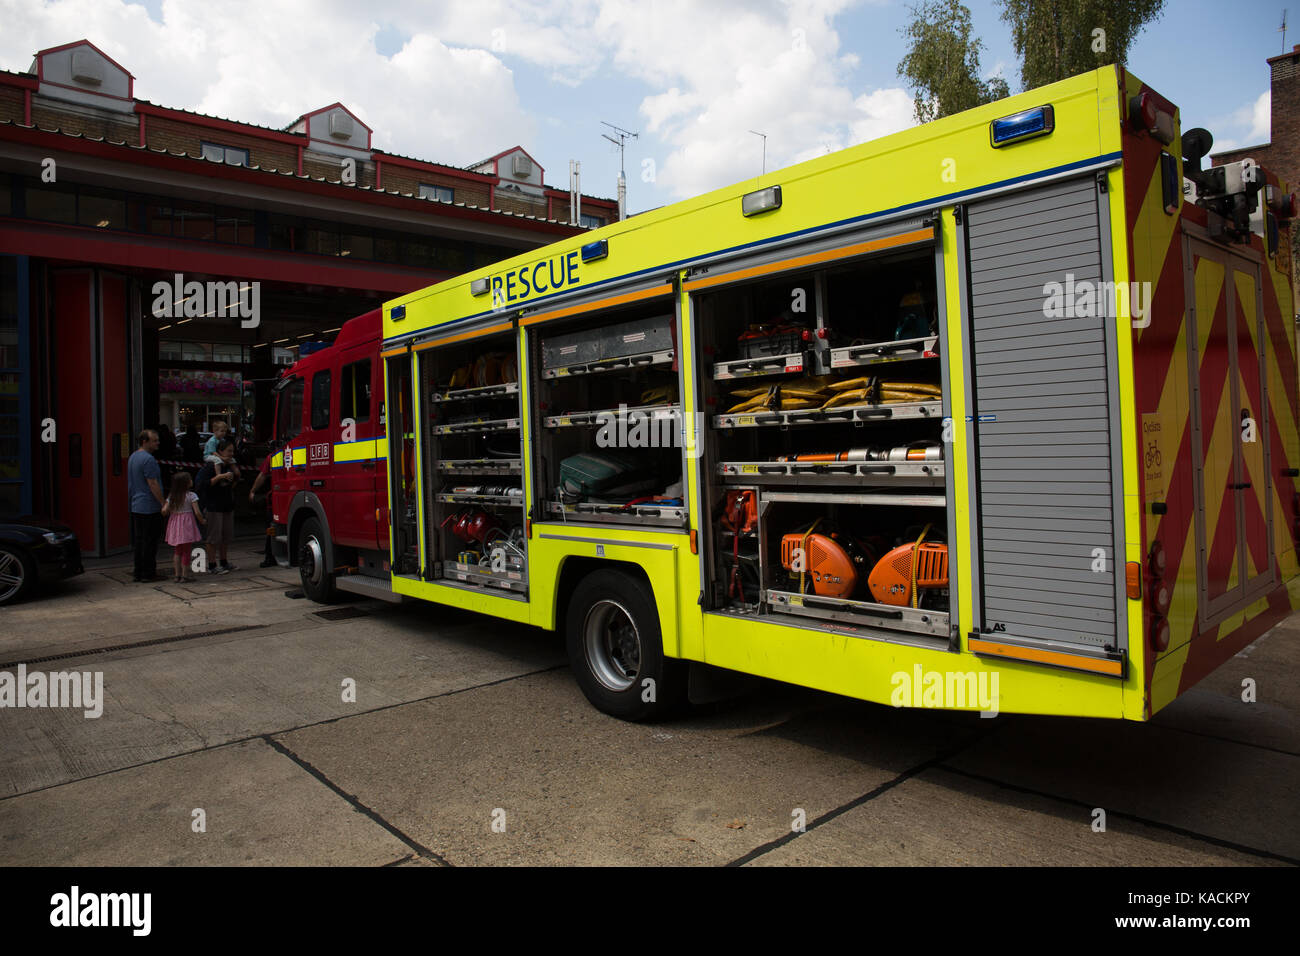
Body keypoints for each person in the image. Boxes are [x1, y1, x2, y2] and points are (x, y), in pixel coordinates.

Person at [196, 438, 240, 574]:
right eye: (229, 451)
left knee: (225, 536)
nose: (231, 454)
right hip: (213, 506)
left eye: (233, 451)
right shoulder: (210, 466)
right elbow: (200, 485)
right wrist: (218, 478)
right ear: (220, 451)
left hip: (226, 505)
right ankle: (212, 565)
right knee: (213, 537)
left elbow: (236, 479)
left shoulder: (229, 466)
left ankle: (224, 561)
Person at [127, 429, 166, 582]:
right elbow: (153, 483)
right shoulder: (148, 460)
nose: (157, 443)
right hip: (149, 506)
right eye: (154, 440)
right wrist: (163, 503)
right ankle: (148, 573)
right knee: (150, 541)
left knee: (140, 540)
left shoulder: (133, 457)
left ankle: (139, 571)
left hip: (137, 504)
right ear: (145, 441)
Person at [162, 471, 205, 583]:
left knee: (177, 551)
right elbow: (197, 512)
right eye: (190, 479)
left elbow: (164, 510)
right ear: (185, 483)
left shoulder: (172, 496)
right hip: (187, 525)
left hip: (175, 524)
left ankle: (177, 575)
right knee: (186, 551)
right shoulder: (192, 496)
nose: (192, 481)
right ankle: (185, 576)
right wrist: (203, 521)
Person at [248, 445, 279, 568]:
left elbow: (262, 475)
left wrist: (253, 491)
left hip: (274, 500)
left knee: (271, 529)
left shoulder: (272, 457)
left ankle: (270, 557)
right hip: (285, 498)